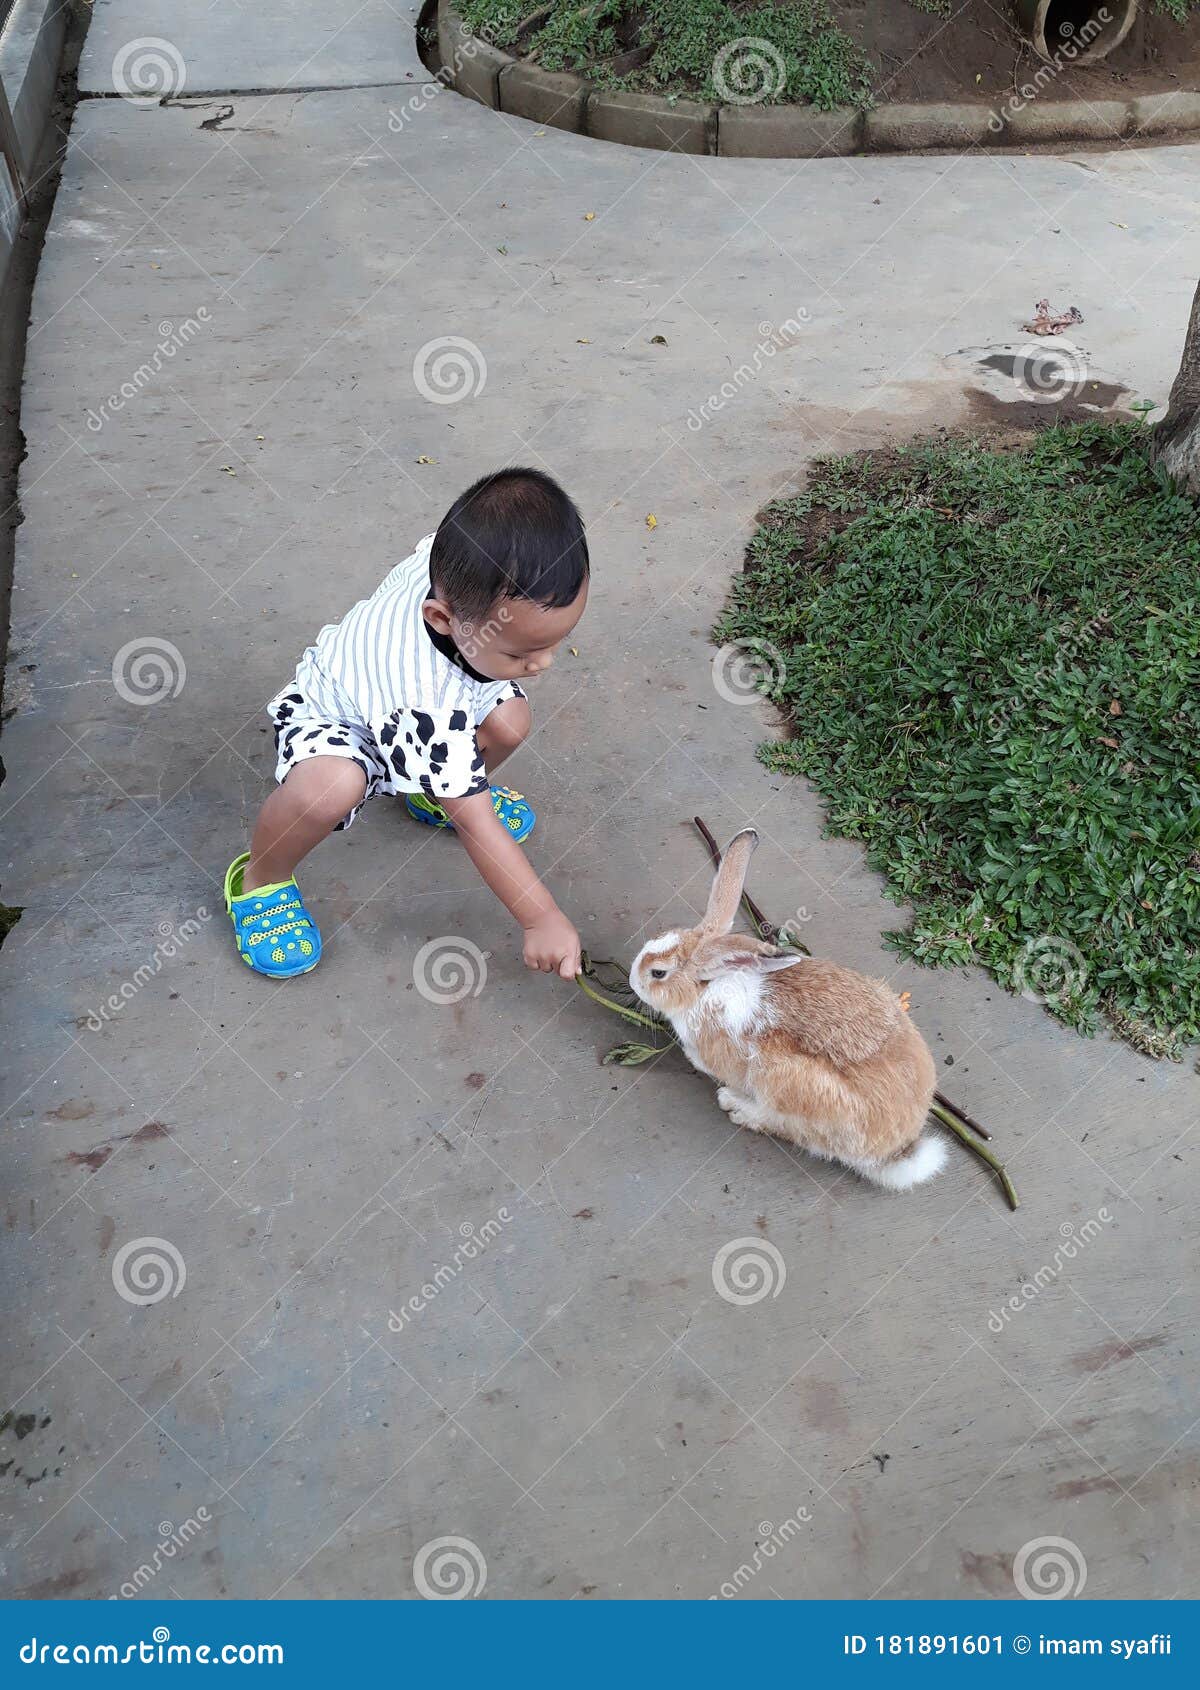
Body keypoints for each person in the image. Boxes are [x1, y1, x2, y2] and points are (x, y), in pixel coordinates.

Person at [223, 467, 588, 982]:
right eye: (524, 651)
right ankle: (261, 877)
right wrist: (542, 918)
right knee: (331, 789)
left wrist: (505, 656)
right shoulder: (425, 699)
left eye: (556, 641)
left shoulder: (457, 563)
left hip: (443, 690)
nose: (545, 662)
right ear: (441, 619)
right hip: (341, 716)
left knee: (508, 720)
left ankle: (429, 789)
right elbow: (476, 823)